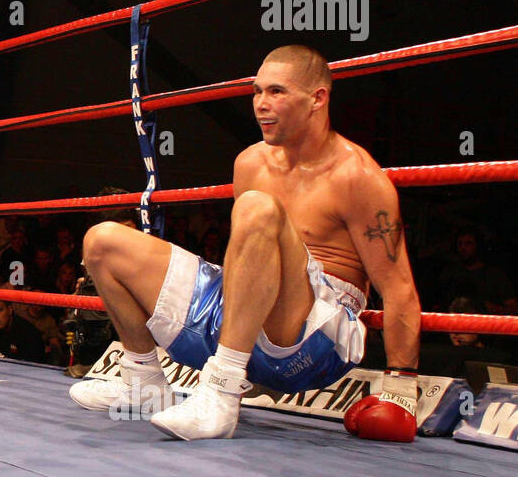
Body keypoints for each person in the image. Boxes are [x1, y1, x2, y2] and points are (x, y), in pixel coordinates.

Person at [71, 45, 421, 441]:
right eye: (256, 92)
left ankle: (220, 393)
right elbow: (249, 256)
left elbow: (398, 287)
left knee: (258, 208)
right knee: (102, 241)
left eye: (276, 92)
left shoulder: (357, 177)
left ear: (317, 99)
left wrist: (401, 390)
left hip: (313, 339)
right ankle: (143, 380)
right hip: (248, 318)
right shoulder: (250, 163)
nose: (260, 104)